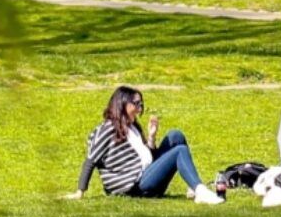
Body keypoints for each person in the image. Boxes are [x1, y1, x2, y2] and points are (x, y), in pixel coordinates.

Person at [68, 84, 225, 204]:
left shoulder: (133, 127)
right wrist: (80, 192)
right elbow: (91, 160)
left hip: (145, 176)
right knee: (179, 151)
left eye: (141, 104)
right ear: (122, 104)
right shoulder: (107, 129)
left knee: (175, 135)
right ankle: (200, 191)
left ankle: (193, 186)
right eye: (136, 104)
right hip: (133, 186)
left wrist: (151, 137)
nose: (140, 109)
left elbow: (145, 158)